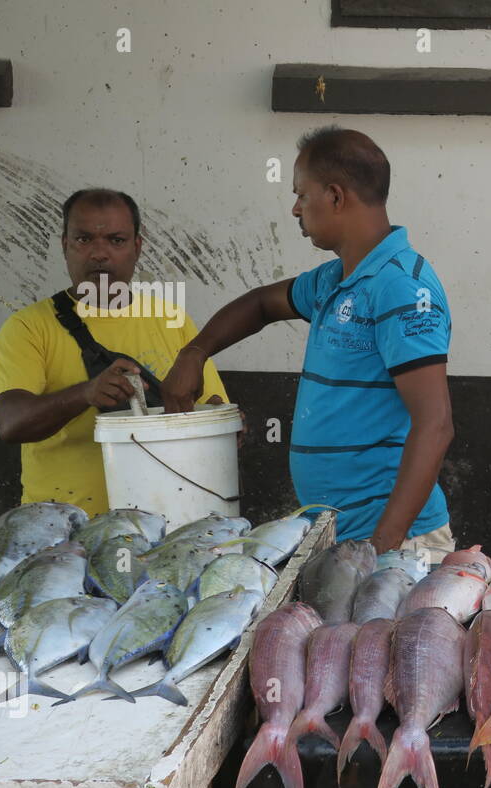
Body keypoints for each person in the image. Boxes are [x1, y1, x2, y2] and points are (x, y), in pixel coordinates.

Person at [160, 127, 455, 560]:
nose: (295, 208)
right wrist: (195, 352)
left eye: (302, 194)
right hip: (335, 536)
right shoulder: (334, 279)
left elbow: (436, 425)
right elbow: (261, 305)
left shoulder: (401, 288)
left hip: (394, 545)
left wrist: (380, 548)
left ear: (335, 196)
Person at [0, 188, 229, 515]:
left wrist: (226, 423)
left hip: (163, 523)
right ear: (65, 245)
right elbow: (11, 423)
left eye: (116, 240)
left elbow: (212, 407)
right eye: (84, 239)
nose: (99, 254)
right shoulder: (28, 328)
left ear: (137, 247)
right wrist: (85, 394)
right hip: (64, 536)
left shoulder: (173, 321)